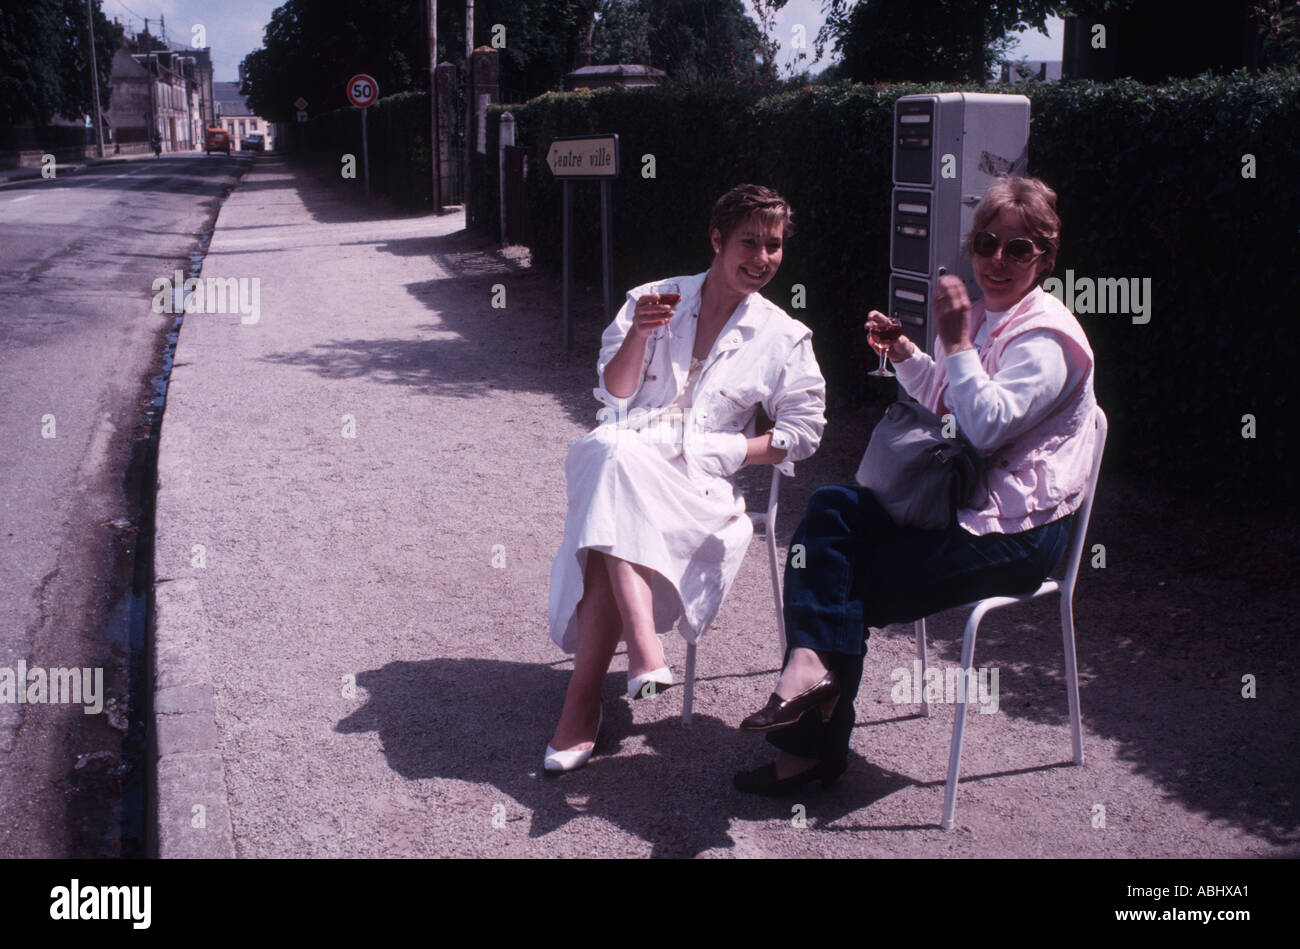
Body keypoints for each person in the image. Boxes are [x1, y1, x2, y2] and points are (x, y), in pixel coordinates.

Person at [733, 175, 1100, 795]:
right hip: (955, 502)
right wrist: (906, 352)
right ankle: (808, 679)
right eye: (987, 244)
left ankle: (809, 749)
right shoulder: (984, 319)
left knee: (847, 582)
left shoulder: (1046, 340)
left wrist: (955, 342)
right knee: (830, 510)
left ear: (1046, 257)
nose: (998, 260)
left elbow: (983, 429)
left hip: (1017, 533)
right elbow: (951, 405)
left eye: (1019, 249)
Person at [546, 184, 827, 772]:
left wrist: (725, 448)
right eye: (749, 241)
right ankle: (642, 648)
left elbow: (802, 432)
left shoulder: (783, 336)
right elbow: (615, 394)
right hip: (628, 460)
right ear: (717, 239)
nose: (762, 258)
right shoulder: (652, 300)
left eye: (774, 246)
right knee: (614, 449)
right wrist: (638, 336)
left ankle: (584, 702)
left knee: (606, 461)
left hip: (700, 484)